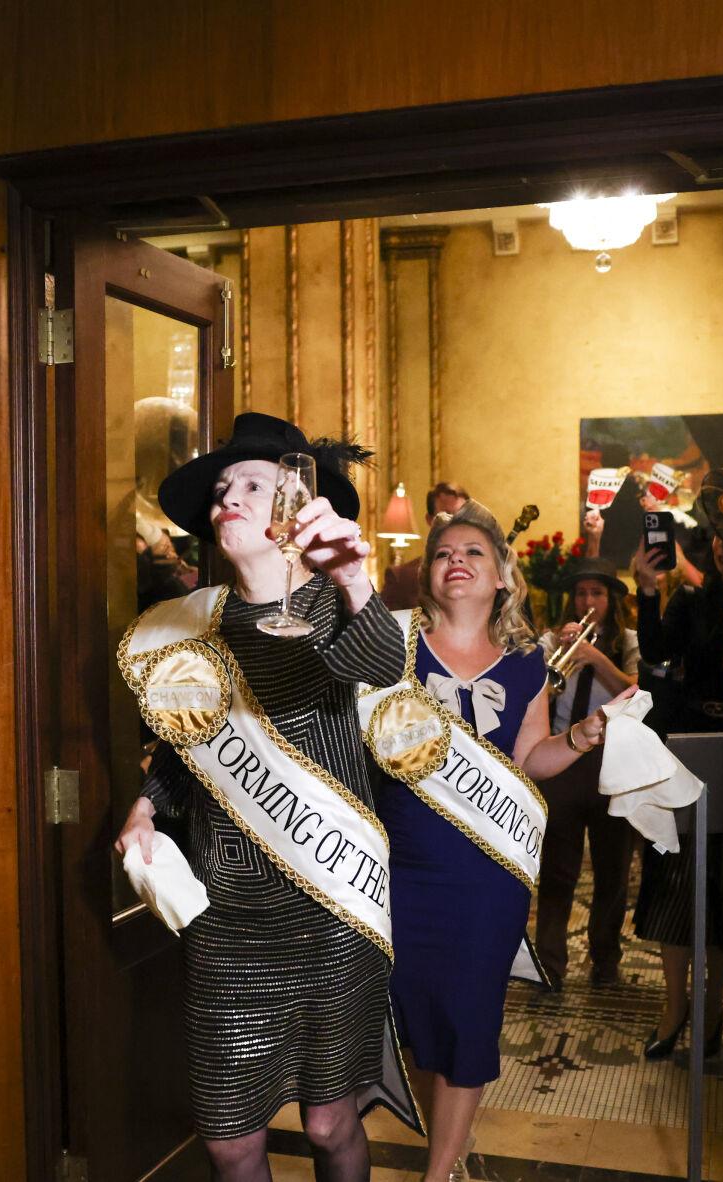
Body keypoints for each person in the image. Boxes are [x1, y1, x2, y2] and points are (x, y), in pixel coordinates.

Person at [114, 412, 419, 1181]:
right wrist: (147, 803)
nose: (228, 497)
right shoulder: (191, 632)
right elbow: (192, 749)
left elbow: (384, 663)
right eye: (221, 487)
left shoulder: (331, 606)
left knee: (326, 1122)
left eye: (252, 483)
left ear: (293, 507)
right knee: (228, 1140)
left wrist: (352, 575)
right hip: (230, 923)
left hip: (329, 905)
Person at [376, 501, 635, 1182]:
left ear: (501, 578)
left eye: (472, 553)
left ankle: (438, 1173)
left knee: (468, 1015)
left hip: (487, 873)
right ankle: (450, 1150)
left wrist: (575, 739)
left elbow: (527, 759)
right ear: (428, 575)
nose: (455, 561)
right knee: (418, 1016)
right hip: (402, 867)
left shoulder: (525, 665)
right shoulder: (393, 649)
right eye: (442, 553)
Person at [629, 468, 723, 1061]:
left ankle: (712, 1005)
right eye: (714, 534)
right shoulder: (695, 600)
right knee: (673, 884)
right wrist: (646, 590)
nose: (719, 545)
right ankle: (674, 1006)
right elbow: (659, 654)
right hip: (689, 749)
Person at [534, 557, 640, 987]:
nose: (587, 601)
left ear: (611, 600)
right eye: (581, 593)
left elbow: (635, 693)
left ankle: (605, 959)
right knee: (558, 870)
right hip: (563, 757)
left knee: (613, 869)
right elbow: (536, 692)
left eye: (596, 593)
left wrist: (594, 656)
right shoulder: (550, 640)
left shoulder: (628, 640)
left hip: (614, 761)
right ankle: (550, 965)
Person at [382, 481, 470, 610]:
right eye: (447, 516)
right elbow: (382, 627)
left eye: (461, 516)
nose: (456, 523)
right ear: (430, 520)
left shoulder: (484, 573)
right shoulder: (402, 578)